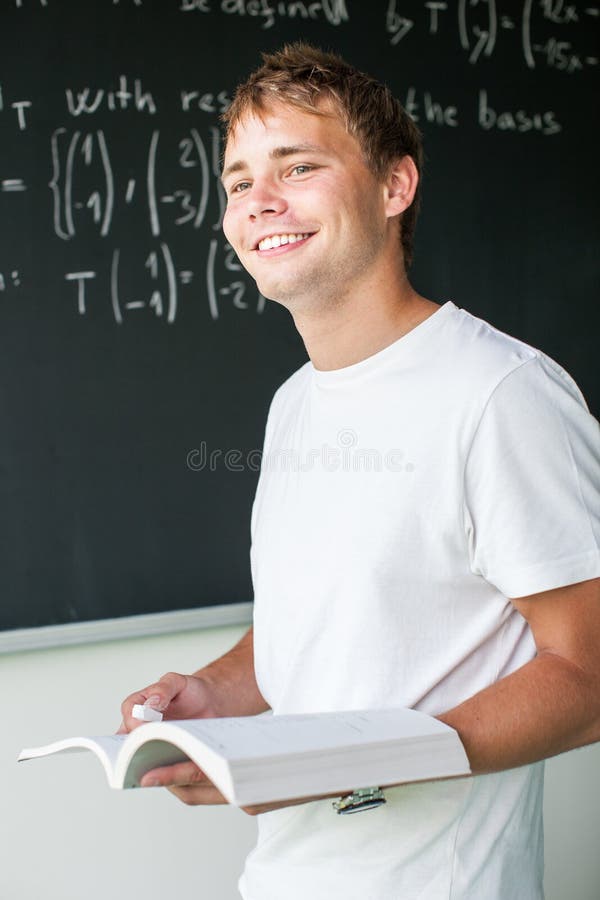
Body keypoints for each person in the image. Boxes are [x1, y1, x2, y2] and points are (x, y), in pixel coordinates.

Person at [119, 44, 600, 899]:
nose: (258, 201)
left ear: (394, 187)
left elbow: (589, 676)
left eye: (297, 167)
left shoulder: (501, 395)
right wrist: (214, 695)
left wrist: (365, 767)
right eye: (237, 183)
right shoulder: (296, 402)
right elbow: (323, 624)